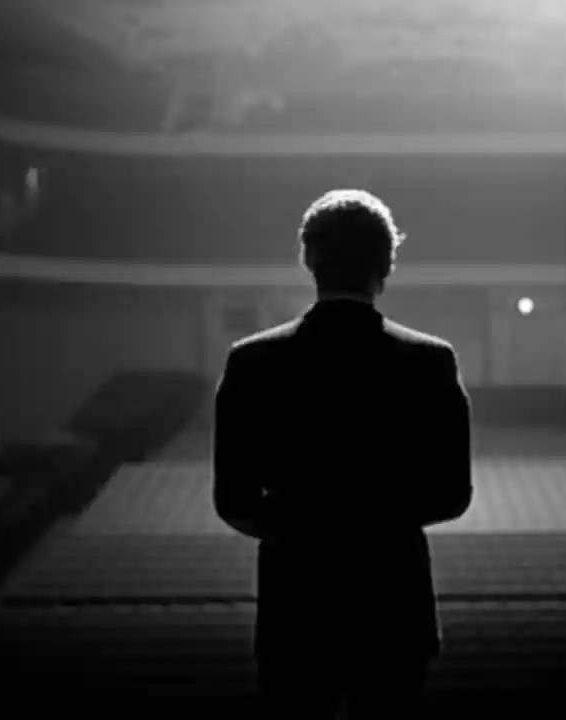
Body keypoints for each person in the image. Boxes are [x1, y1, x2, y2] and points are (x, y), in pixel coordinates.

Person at [212, 188, 474, 718]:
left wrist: (307, 526)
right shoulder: (430, 361)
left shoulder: (252, 361)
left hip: (296, 603)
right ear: (387, 264)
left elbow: (233, 500)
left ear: (309, 258)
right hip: (395, 600)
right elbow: (452, 494)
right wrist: (376, 520)